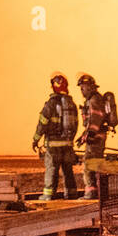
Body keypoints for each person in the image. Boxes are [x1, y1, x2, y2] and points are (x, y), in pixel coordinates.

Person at [32, 73, 79, 201]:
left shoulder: (50, 104)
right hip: (68, 145)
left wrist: (35, 139)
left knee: (52, 170)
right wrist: (70, 140)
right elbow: (75, 125)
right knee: (68, 171)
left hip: (53, 146)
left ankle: (48, 195)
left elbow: (42, 123)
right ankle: (71, 194)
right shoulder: (71, 104)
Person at [74, 74, 117, 200]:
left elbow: (96, 118)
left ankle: (91, 193)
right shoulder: (94, 99)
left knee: (89, 163)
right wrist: (83, 136)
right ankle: (98, 192)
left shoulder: (94, 100)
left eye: (83, 88)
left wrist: (90, 134)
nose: (82, 91)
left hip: (96, 137)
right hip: (97, 135)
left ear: (89, 87)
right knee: (96, 164)